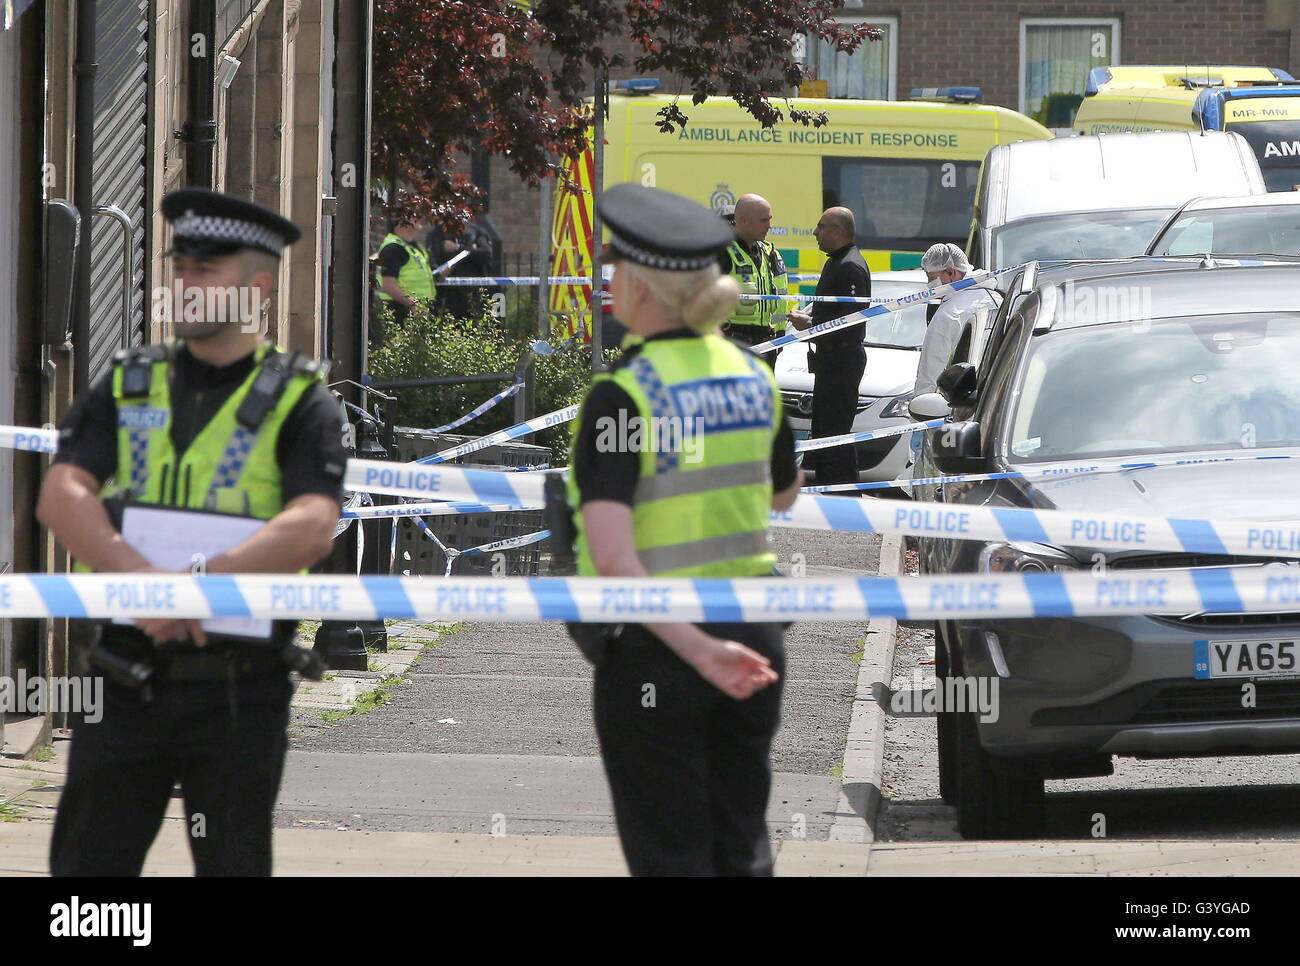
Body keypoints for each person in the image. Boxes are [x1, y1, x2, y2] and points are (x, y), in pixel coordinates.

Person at [38, 187, 346, 876]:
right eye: (179, 266)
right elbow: (62, 496)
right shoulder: (129, 383)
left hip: (240, 687)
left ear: (257, 288)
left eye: (206, 270)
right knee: (86, 885)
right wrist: (145, 584)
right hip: (124, 677)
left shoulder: (302, 401)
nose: (182, 283)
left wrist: (199, 588)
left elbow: (311, 524)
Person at [565, 183, 802, 876]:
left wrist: (698, 653)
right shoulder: (753, 374)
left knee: (672, 854)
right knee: (742, 845)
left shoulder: (624, 393)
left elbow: (613, 558)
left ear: (641, 288)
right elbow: (785, 494)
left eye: (615, 274)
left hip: (659, 652)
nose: (609, 285)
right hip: (755, 633)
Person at [787, 206, 871, 486]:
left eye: (820, 226)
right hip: (830, 359)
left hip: (841, 360)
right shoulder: (836, 261)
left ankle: (843, 494)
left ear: (837, 231)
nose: (814, 232)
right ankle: (829, 488)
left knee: (834, 432)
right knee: (823, 430)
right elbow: (833, 315)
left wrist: (809, 326)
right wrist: (811, 320)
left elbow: (847, 323)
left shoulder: (850, 265)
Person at [913, 243, 1001, 396]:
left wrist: (922, 407)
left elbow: (930, 373)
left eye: (932, 278)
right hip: (994, 396)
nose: (929, 285)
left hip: (957, 401)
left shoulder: (947, 315)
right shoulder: (995, 299)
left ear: (951, 272)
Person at [719, 193, 788, 368]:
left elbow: (778, 297)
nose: (769, 226)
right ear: (743, 220)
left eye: (770, 219)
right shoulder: (722, 252)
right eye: (764, 221)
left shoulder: (768, 252)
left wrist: (779, 336)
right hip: (734, 343)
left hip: (767, 342)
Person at [376, 217, 436, 326]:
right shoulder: (392, 248)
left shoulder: (414, 247)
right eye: (413, 216)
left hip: (418, 310)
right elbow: (388, 285)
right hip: (399, 310)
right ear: (400, 222)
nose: (418, 218)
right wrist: (413, 304)